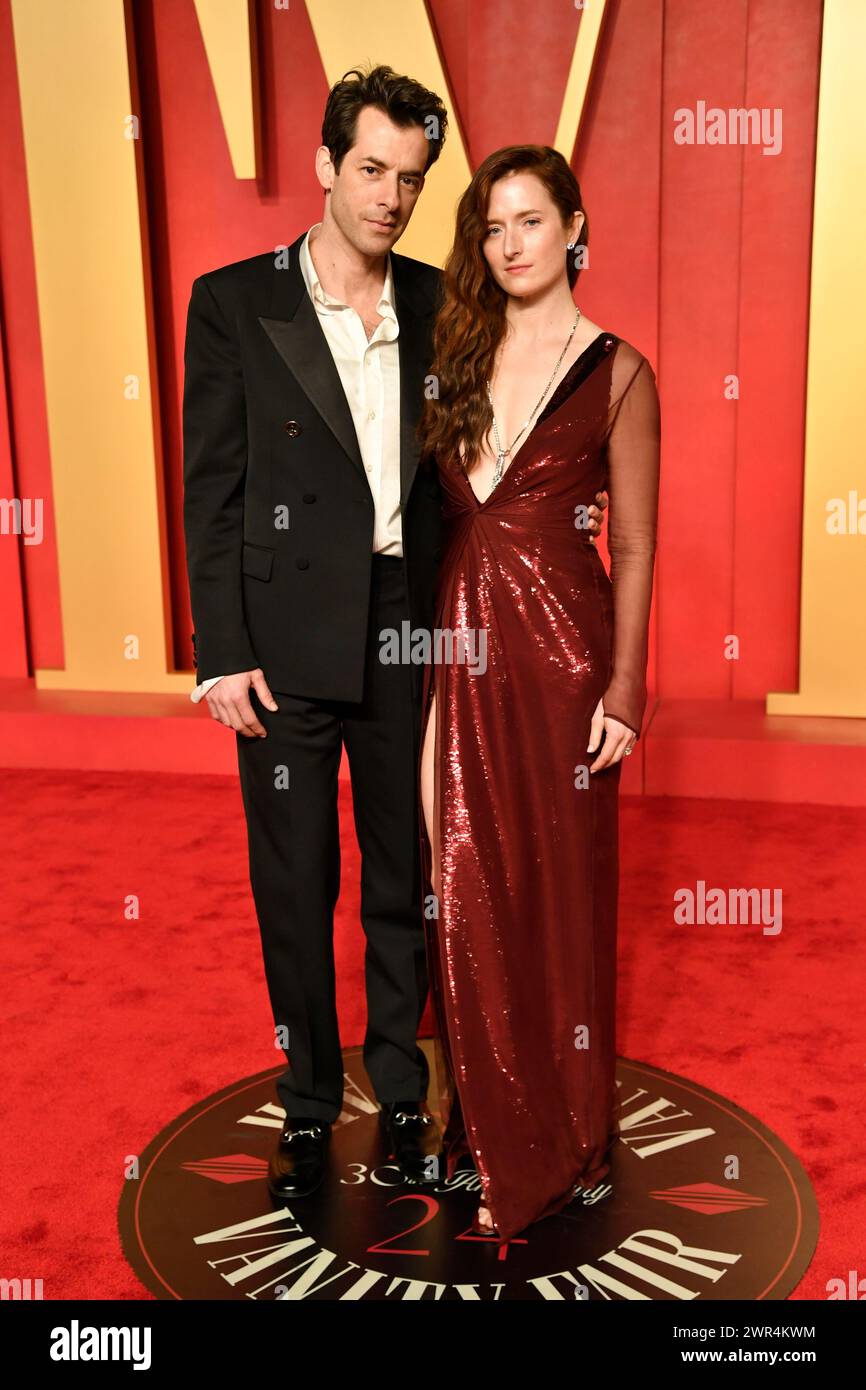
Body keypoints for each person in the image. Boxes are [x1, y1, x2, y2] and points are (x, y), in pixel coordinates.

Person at [182, 65, 613, 1202]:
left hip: (399, 623)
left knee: (403, 868)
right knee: (292, 882)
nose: (388, 195)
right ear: (326, 168)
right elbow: (210, 491)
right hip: (276, 640)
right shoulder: (235, 302)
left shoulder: (435, 304)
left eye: (410, 178)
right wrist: (219, 650)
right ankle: (311, 1101)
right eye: (369, 169)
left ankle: (402, 1088)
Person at [417, 145, 661, 1242]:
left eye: (528, 220)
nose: (510, 242)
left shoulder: (617, 371)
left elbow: (640, 544)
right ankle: (483, 1113)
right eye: (490, 226)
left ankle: (566, 1133)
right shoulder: (452, 359)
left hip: (567, 660)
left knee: (559, 895)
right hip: (459, 655)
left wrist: (623, 687)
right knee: (461, 874)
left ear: (571, 227)